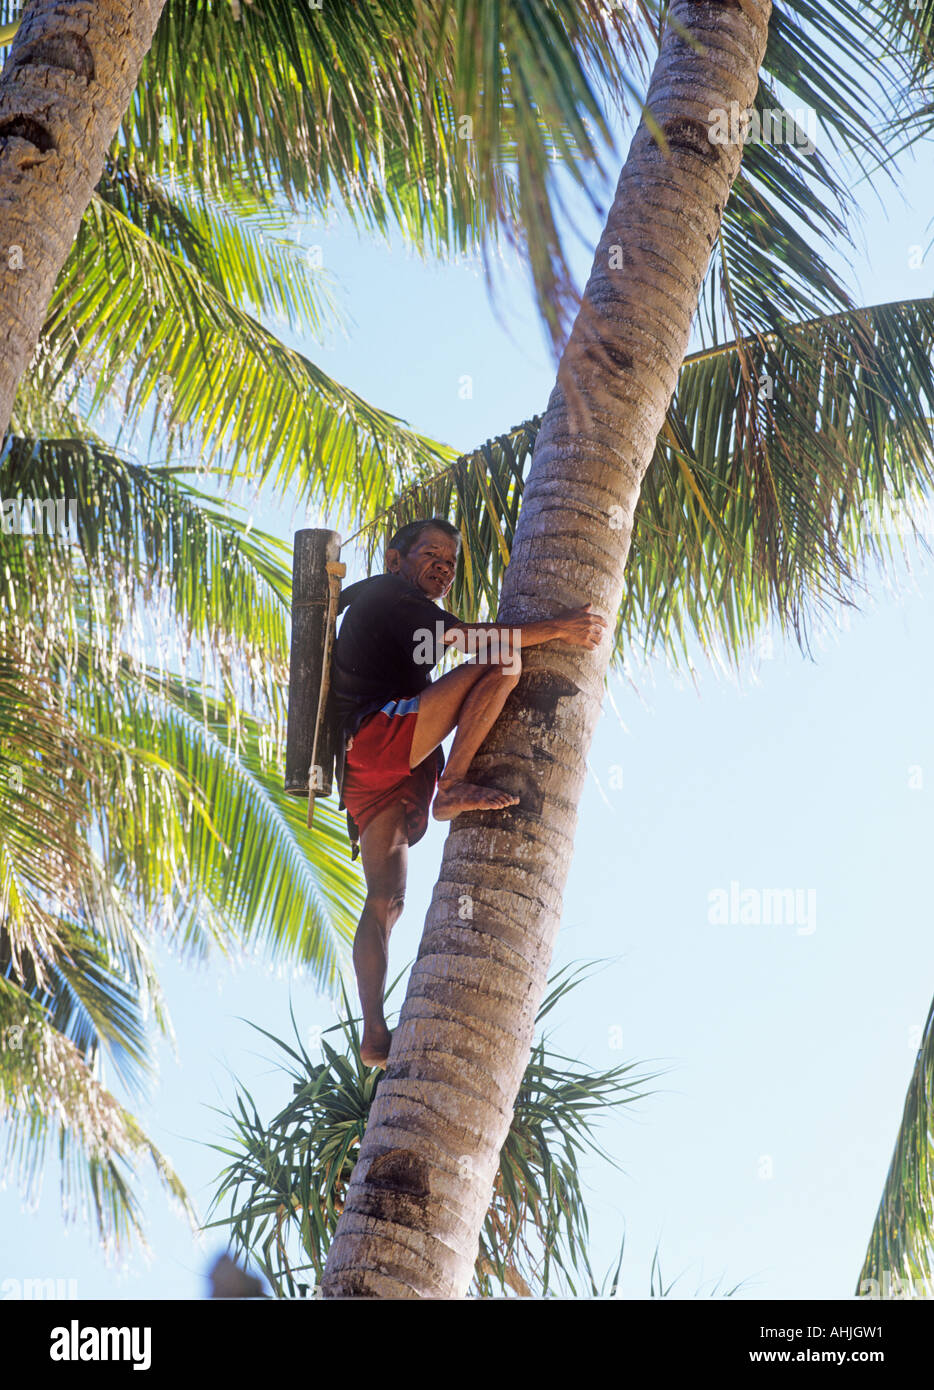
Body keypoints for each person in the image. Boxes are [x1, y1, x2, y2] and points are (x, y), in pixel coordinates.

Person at [330, 517, 607, 1068]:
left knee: (387, 901)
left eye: (451, 563)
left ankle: (373, 1033)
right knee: (504, 658)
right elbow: (475, 641)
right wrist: (562, 627)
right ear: (394, 559)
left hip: (372, 766)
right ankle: (451, 784)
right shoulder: (392, 595)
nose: (442, 567)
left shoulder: (403, 607)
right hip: (379, 737)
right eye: (431, 553)